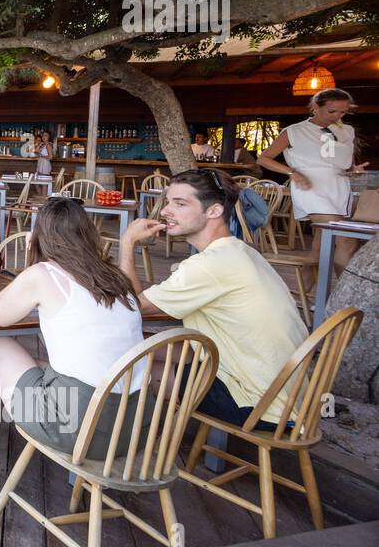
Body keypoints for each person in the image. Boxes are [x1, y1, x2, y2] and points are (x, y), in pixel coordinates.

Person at [0, 198, 148, 494]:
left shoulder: (45, 274)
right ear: (88, 233)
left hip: (73, 425)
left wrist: (32, 264)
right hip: (133, 427)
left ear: (40, 236)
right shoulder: (117, 278)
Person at [119, 168, 308, 430]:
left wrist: (127, 243)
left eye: (180, 203)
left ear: (214, 211)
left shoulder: (209, 265)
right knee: (133, 346)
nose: (165, 211)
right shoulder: (240, 251)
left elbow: (132, 308)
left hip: (263, 406)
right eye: (168, 201)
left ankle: (120, 442)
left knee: (129, 368)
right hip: (289, 393)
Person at [257, 87, 369, 276]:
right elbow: (264, 158)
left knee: (320, 244)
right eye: (332, 111)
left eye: (343, 112)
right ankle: (346, 295)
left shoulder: (347, 131)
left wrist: (353, 171)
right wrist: (291, 173)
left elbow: (344, 164)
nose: (337, 116)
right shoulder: (294, 131)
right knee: (345, 239)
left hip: (338, 188)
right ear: (316, 107)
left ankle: (304, 291)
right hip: (310, 187)